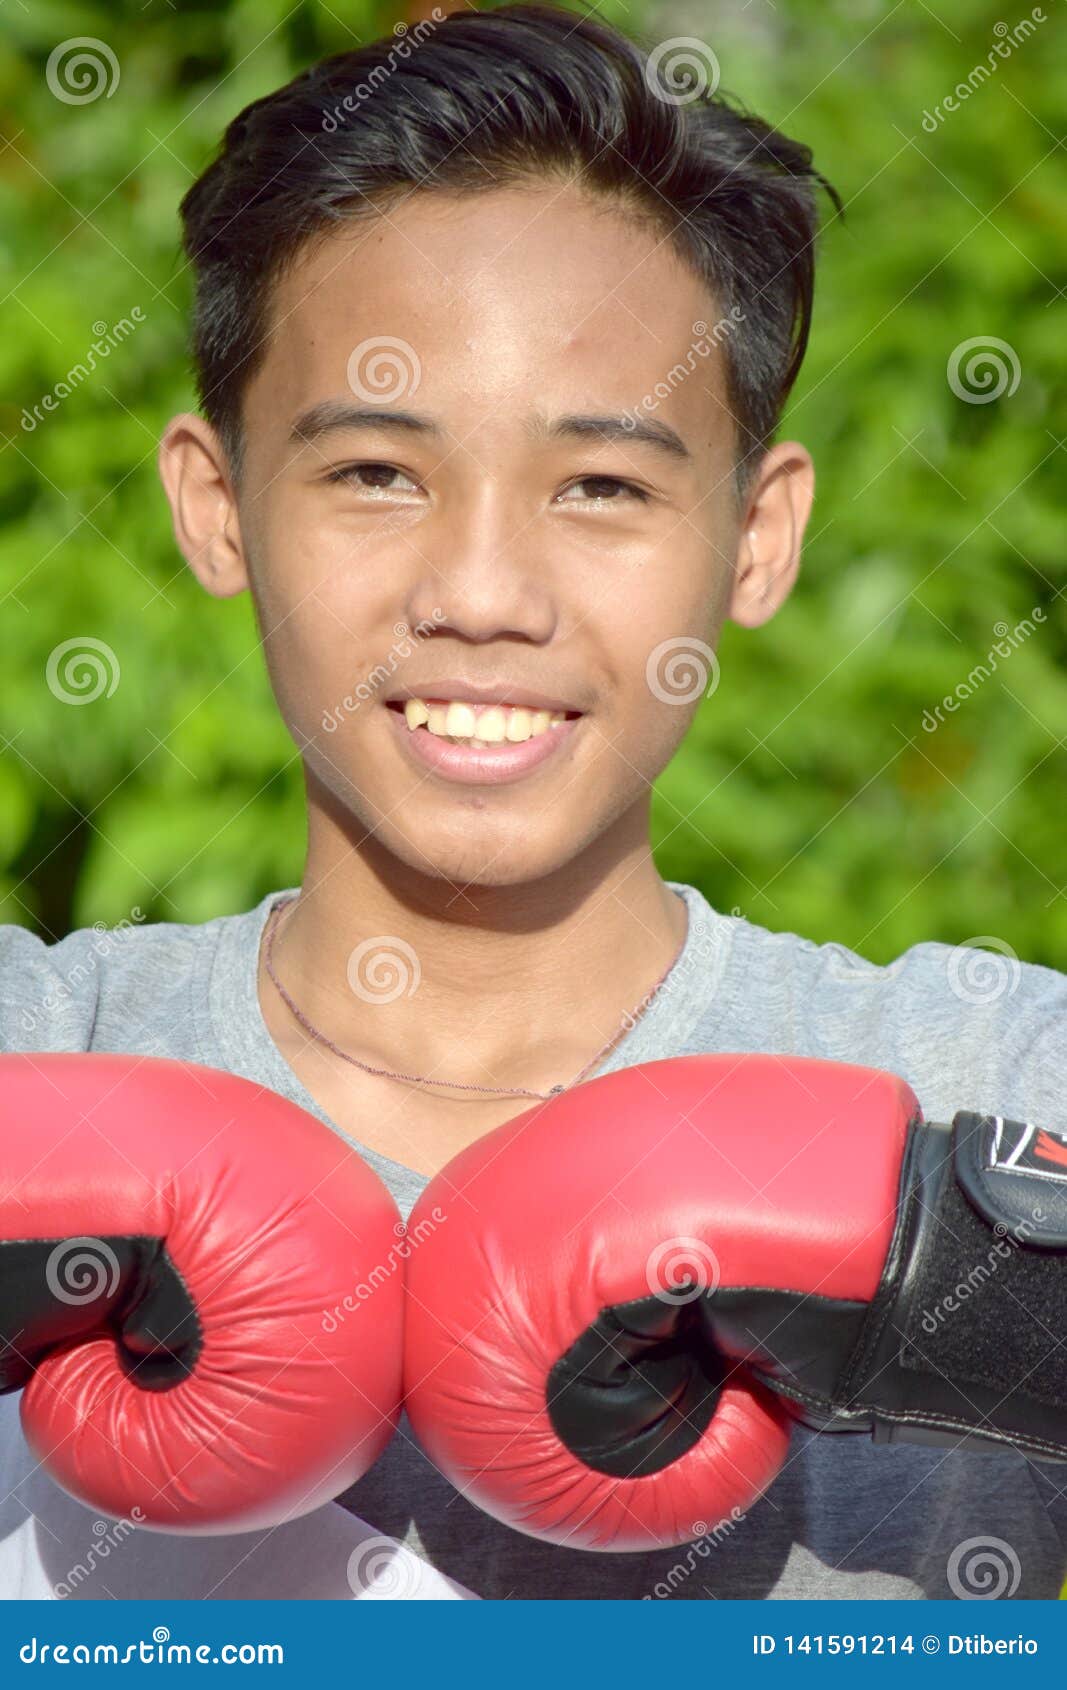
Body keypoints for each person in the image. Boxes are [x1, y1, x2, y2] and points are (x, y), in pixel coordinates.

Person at [2, 2, 1064, 1601]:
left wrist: (970, 1284)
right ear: (216, 511)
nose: (484, 591)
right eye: (375, 470)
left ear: (758, 538)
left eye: (604, 486)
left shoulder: (989, 1079)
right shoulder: (38, 1055)